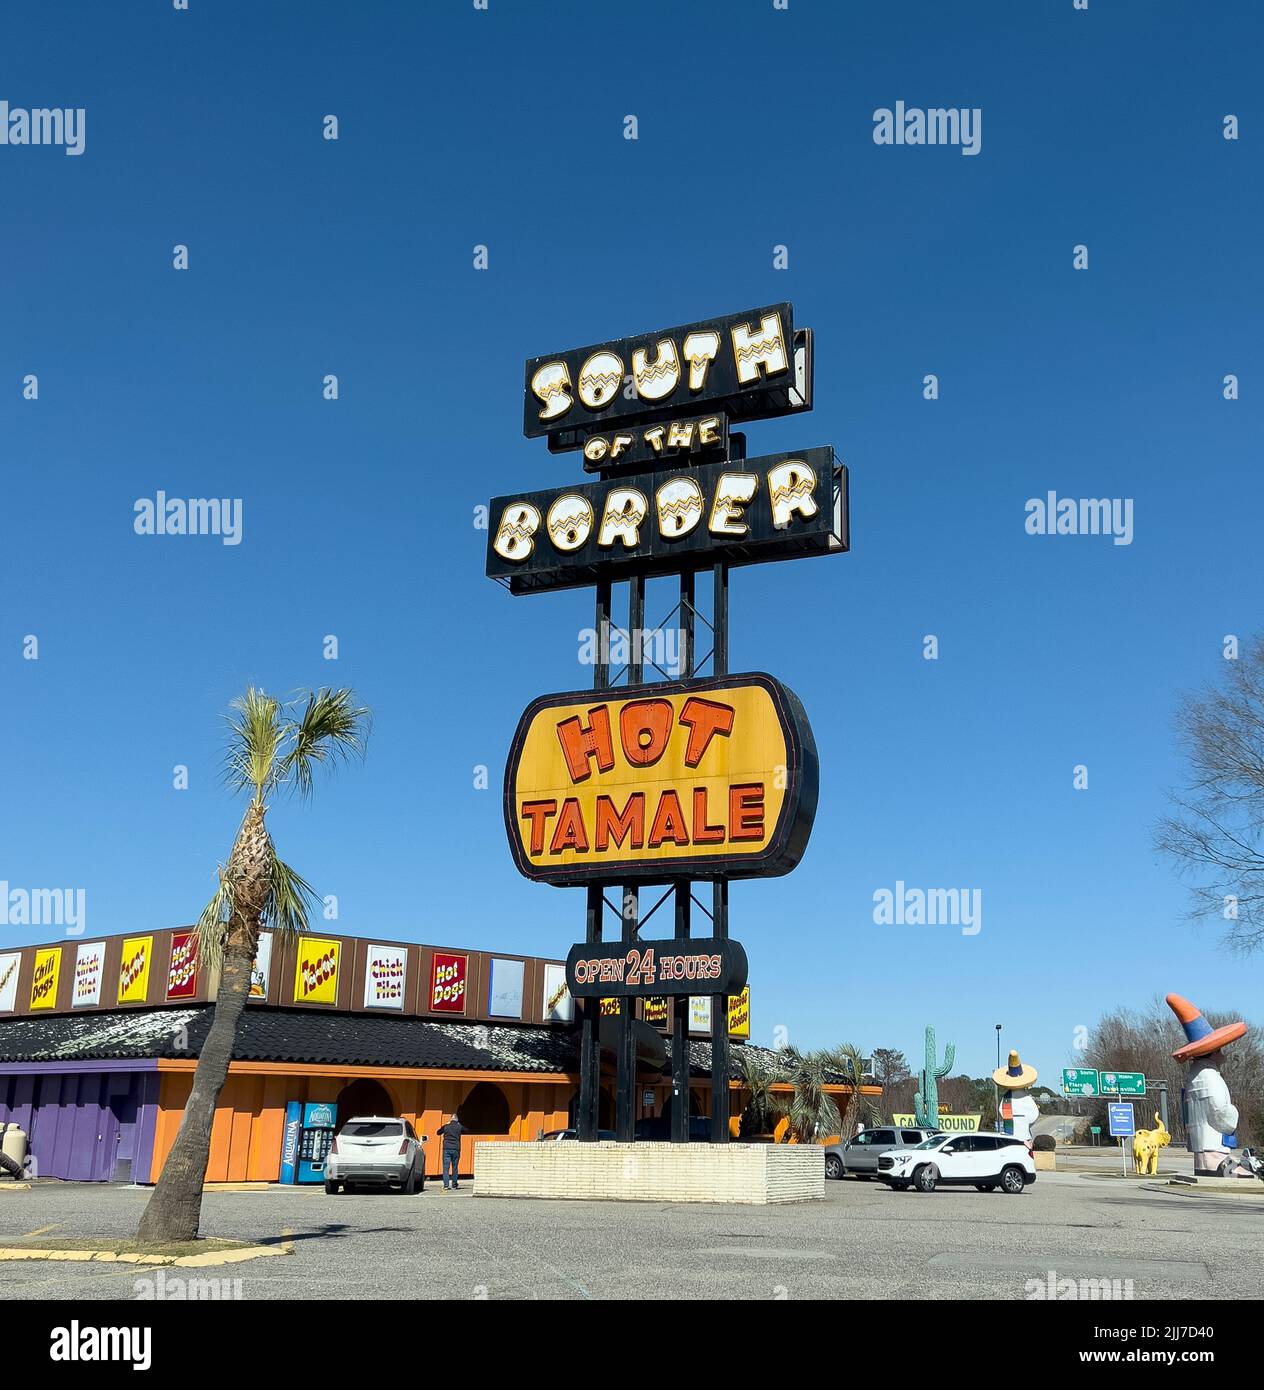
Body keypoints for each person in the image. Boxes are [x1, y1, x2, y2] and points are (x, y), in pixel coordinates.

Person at [436, 1113, 466, 1190]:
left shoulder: (446, 1126)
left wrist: (445, 1124)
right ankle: (454, 1185)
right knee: (455, 1167)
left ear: (451, 1119)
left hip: (446, 1149)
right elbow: (467, 1131)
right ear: (457, 1120)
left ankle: (446, 1185)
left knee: (446, 1168)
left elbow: (438, 1132)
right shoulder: (459, 1127)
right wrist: (459, 1124)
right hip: (456, 1149)